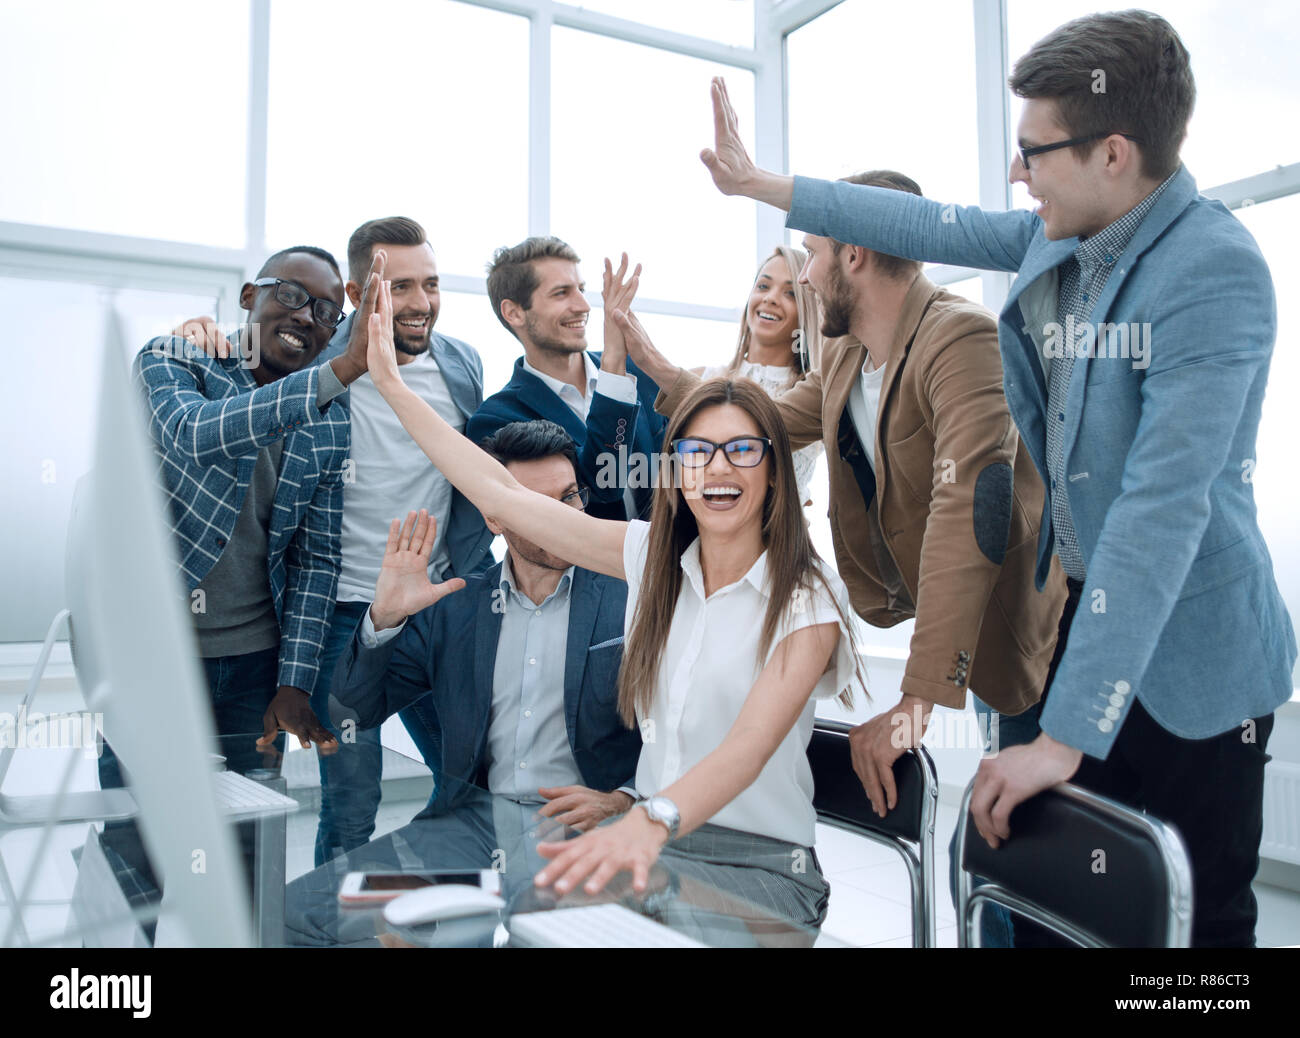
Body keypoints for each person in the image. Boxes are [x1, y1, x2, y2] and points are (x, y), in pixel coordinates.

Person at [693, 7, 1295, 948]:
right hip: (1072, 623)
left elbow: (1159, 511)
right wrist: (763, 184)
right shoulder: (1065, 236)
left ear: (1113, 152)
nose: (1017, 172)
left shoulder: (1214, 272)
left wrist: (1066, 735)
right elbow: (927, 222)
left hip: (1193, 656)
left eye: (1033, 150)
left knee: (1197, 924)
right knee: (1060, 901)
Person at [363, 276, 866, 931]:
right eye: (696, 452)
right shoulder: (650, 556)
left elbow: (746, 748)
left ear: (773, 468)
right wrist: (395, 389)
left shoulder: (808, 593)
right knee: (521, 923)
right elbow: (501, 494)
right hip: (650, 853)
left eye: (742, 451)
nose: (718, 470)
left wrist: (648, 819)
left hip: (763, 874)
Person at [173, 218, 494, 867]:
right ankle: (330, 936)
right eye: (400, 285)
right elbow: (243, 385)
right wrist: (199, 338)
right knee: (352, 803)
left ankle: (426, 919)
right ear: (357, 290)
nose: (421, 302)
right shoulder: (318, 366)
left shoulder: (462, 365)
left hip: (437, 607)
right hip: (341, 616)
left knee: (471, 784)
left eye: (430, 283)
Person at [283, 420, 641, 946]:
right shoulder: (455, 606)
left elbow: (683, 735)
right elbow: (350, 716)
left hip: (587, 832)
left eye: (569, 498)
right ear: (495, 517)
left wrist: (627, 800)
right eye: (536, 505)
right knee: (298, 912)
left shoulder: (630, 596)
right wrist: (383, 619)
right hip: (472, 826)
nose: (562, 519)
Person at [120, 244, 385, 786]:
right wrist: (339, 372)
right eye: (290, 294)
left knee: (249, 843)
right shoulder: (173, 358)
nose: (304, 316)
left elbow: (315, 558)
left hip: (253, 664)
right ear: (249, 295)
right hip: (151, 651)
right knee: (138, 832)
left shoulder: (331, 419)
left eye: (326, 312)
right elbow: (197, 436)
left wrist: (295, 681)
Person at [468, 239, 667, 521]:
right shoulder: (495, 421)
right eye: (561, 293)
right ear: (514, 313)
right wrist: (612, 366)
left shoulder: (640, 372)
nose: (584, 305)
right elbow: (600, 488)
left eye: (582, 290)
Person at [697, 246, 824, 505]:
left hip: (781, 540)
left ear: (807, 309)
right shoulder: (702, 379)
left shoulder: (816, 394)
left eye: (790, 293)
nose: (771, 298)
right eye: (764, 286)